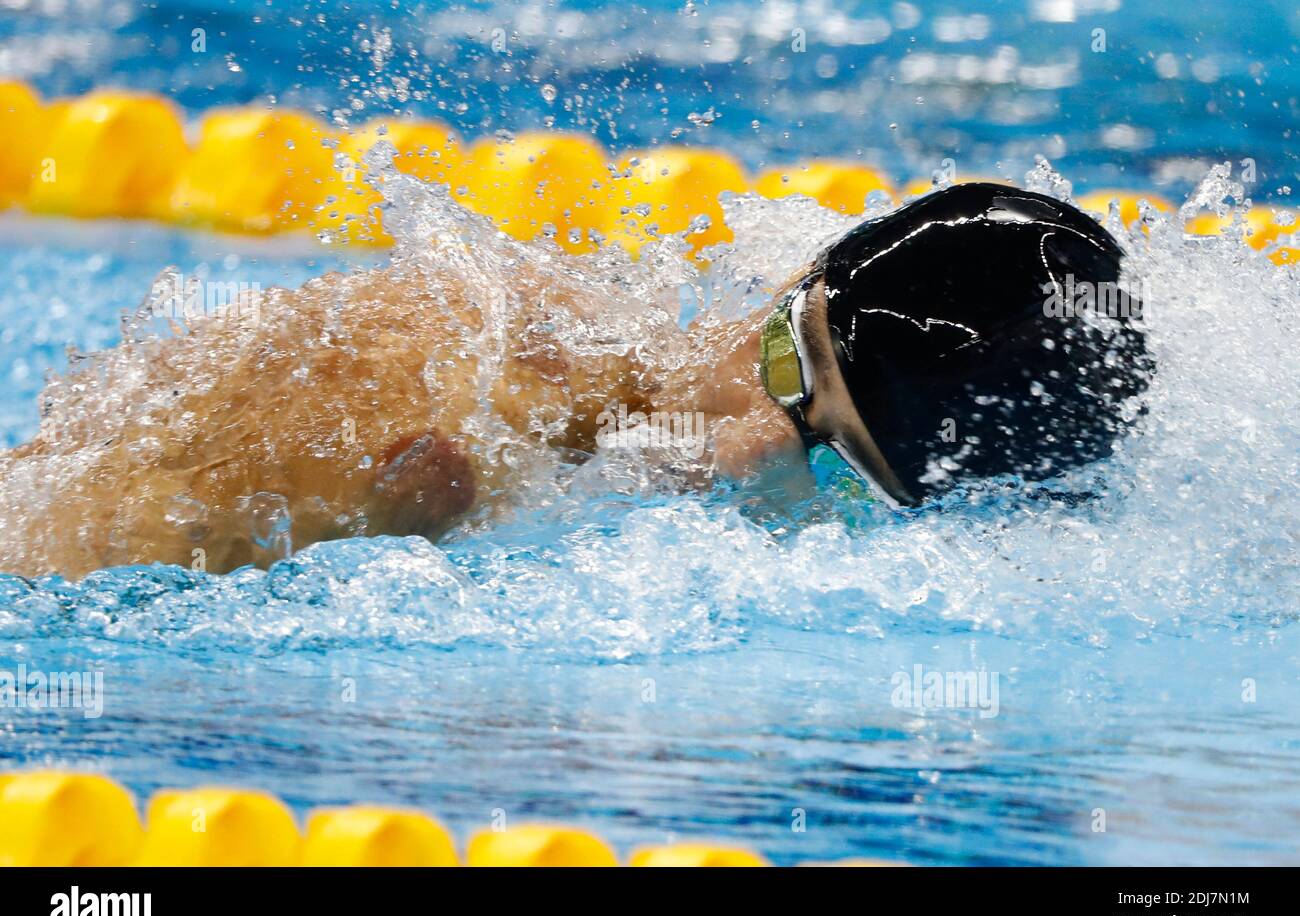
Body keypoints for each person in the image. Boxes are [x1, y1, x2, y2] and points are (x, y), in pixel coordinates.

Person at [0, 182, 1151, 578]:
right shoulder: (435, 398)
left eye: (837, 466)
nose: (758, 447)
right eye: (782, 366)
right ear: (788, 279)